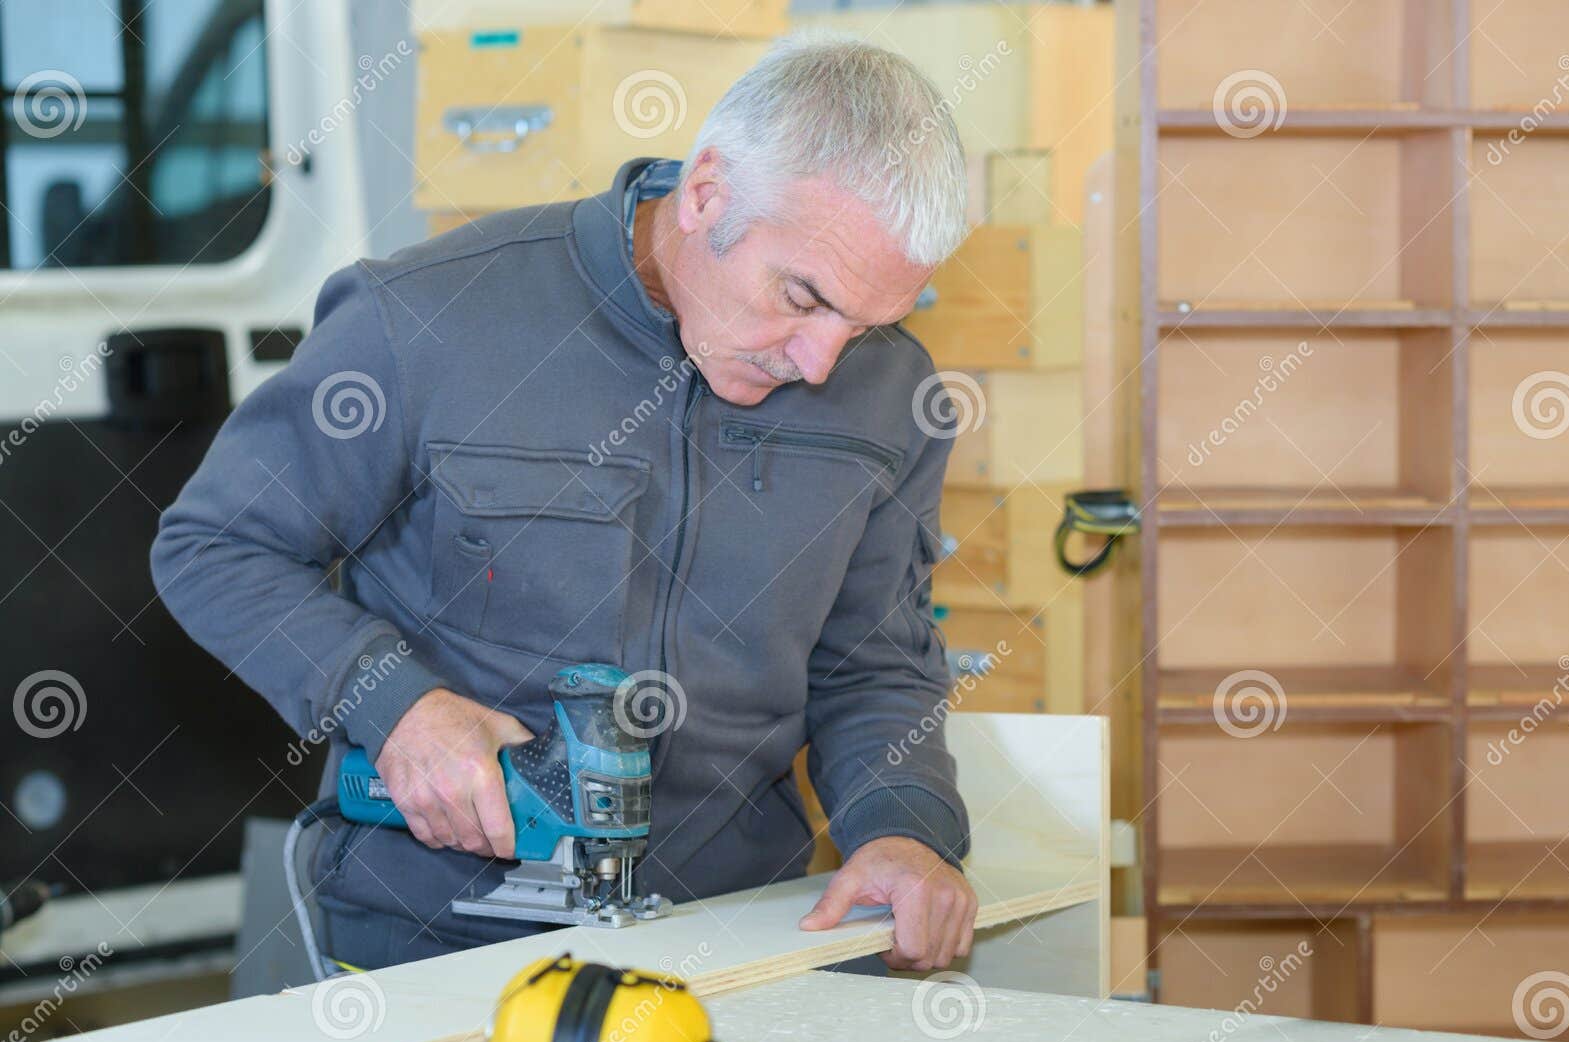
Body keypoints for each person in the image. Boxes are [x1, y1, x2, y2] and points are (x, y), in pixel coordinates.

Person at [152, 33, 978, 972]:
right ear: (706, 194)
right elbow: (216, 546)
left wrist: (905, 827)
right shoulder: (429, 318)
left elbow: (872, 665)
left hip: (740, 937)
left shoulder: (892, 397)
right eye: (801, 296)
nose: (823, 360)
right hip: (434, 946)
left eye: (868, 324)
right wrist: (397, 706)